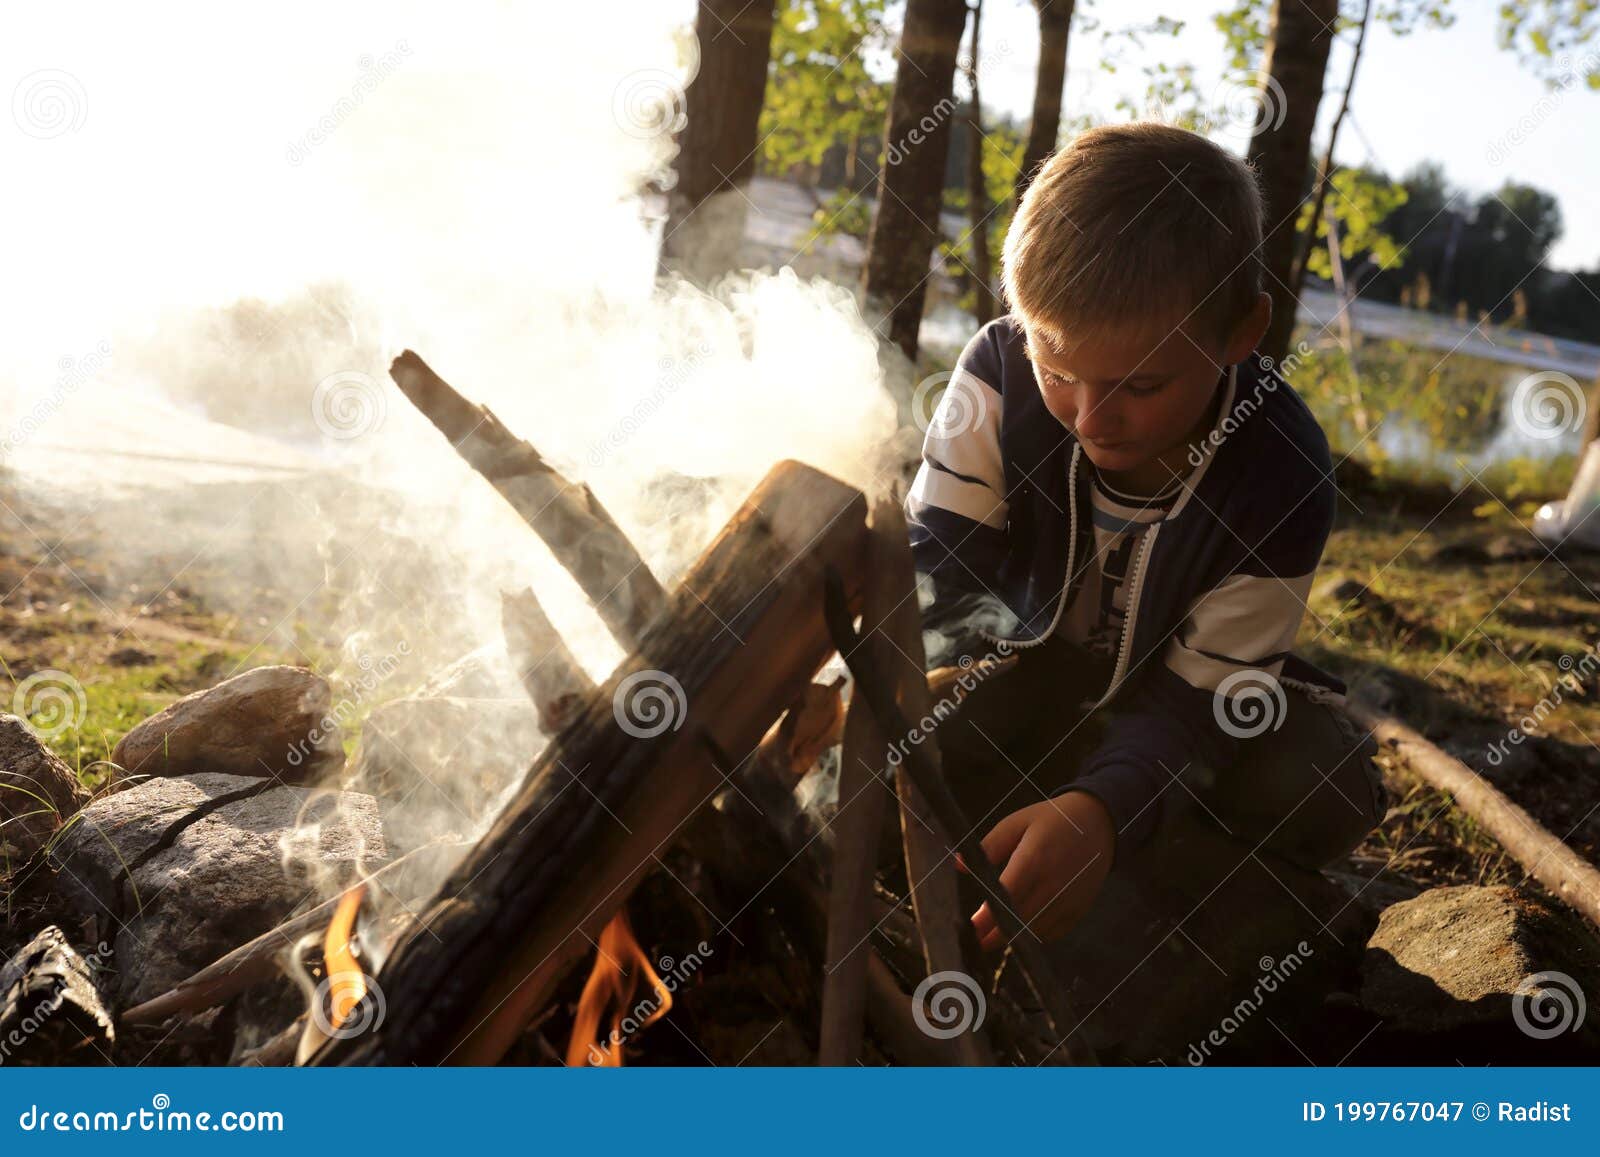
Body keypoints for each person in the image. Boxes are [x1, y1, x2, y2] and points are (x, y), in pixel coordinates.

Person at [904, 122, 1387, 951]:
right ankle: (1107, 825)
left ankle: (1101, 824)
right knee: (895, 738)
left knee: (1316, 783)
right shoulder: (995, 372)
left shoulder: (1281, 471)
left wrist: (1103, 809)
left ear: (1241, 334)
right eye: (1059, 373)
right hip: (1020, 685)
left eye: (1141, 384)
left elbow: (1202, 698)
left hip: (1174, 711)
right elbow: (935, 574)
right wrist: (885, 678)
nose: (1092, 419)